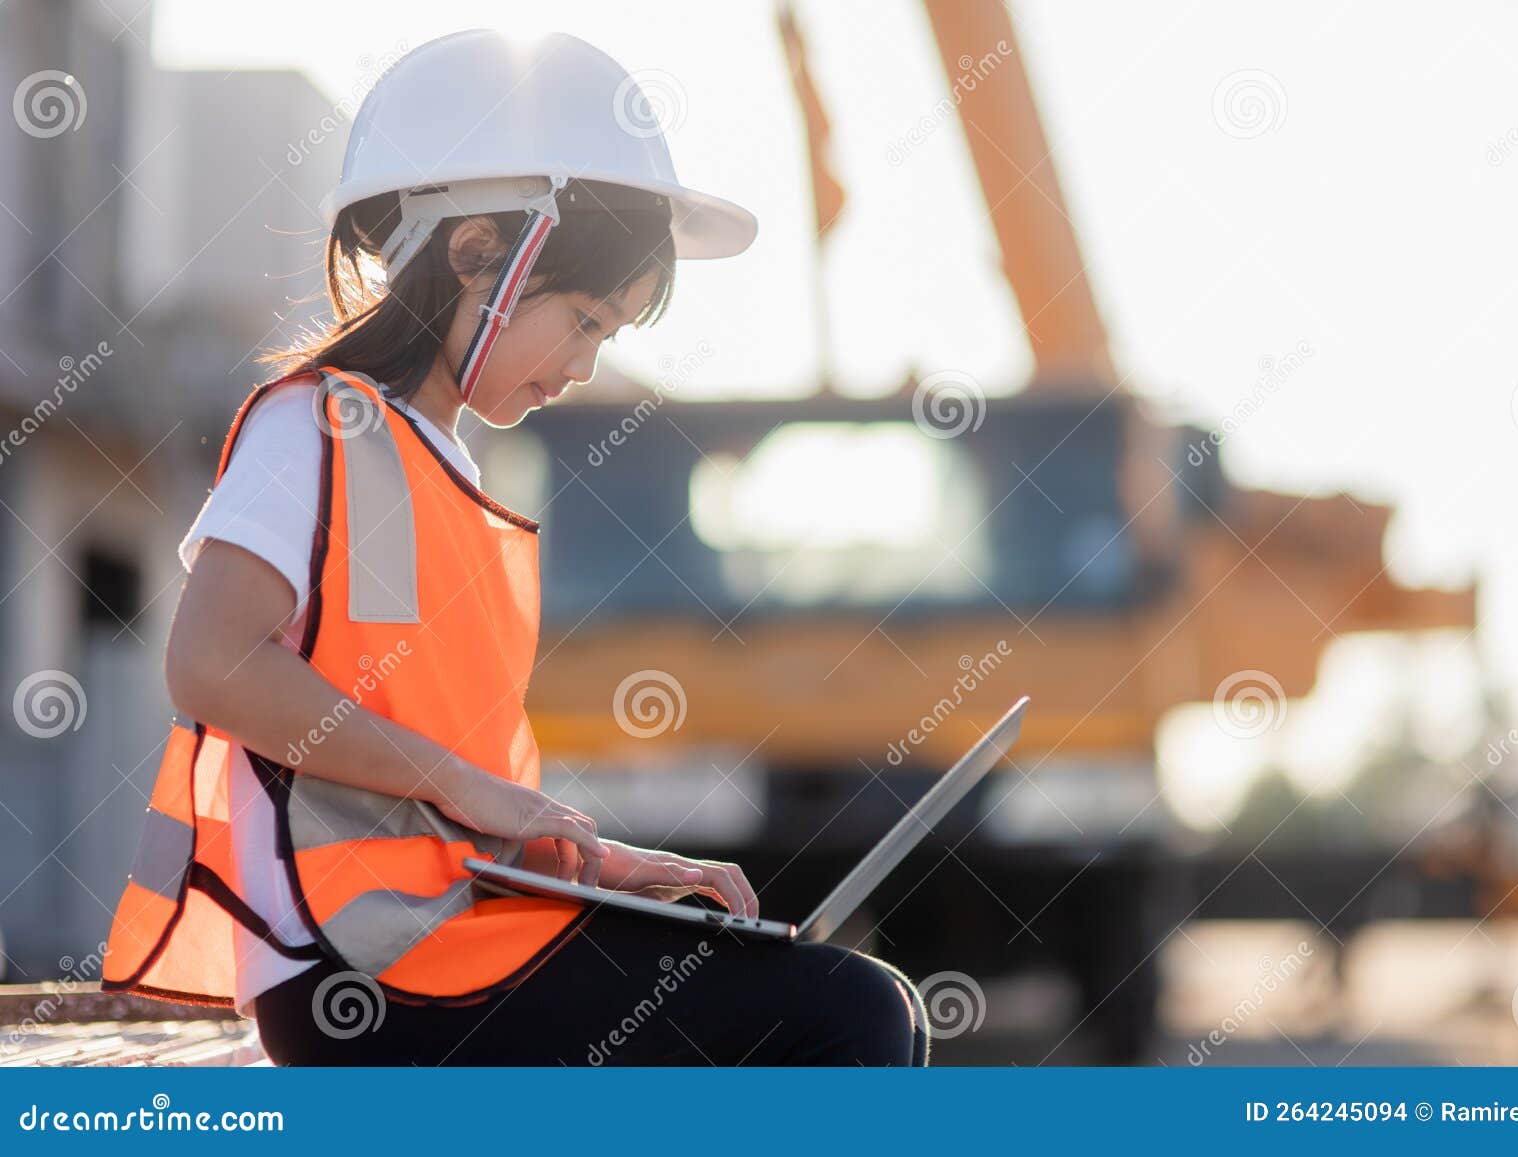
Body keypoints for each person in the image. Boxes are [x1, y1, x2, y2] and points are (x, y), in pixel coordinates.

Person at [100, 28, 929, 1067]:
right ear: (476, 249)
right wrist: (470, 787)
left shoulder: (435, 462)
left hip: (443, 939)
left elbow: (421, 783)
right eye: (583, 318)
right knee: (848, 1012)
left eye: (607, 337)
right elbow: (212, 663)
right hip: (362, 972)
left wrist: (587, 859)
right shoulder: (318, 425)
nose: (582, 366)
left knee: (840, 994)